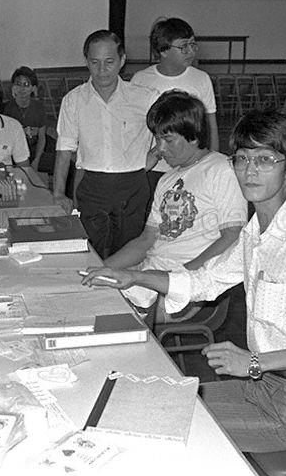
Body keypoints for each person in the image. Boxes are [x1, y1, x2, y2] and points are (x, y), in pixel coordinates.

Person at [82, 108, 286, 453]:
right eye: (242, 158)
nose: (250, 170)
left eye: (265, 159)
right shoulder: (256, 234)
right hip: (256, 387)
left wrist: (253, 362)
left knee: (152, 430)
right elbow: (203, 281)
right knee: (141, 403)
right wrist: (132, 276)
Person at [103, 91, 246, 322]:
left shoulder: (220, 169)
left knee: (103, 310)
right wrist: (101, 268)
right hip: (151, 276)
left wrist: (178, 277)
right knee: (91, 291)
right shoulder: (166, 180)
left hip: (185, 288)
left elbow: (233, 237)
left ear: (193, 137)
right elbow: (145, 241)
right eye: (157, 139)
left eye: (168, 140)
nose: (159, 148)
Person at [53, 30, 158, 259]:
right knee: (89, 251)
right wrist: (59, 193)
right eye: (95, 62)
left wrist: (150, 159)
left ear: (122, 60)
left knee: (129, 252)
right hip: (92, 185)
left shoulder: (146, 97)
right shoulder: (73, 100)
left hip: (133, 185)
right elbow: (64, 151)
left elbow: (167, 135)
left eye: (109, 62)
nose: (102, 70)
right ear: (86, 62)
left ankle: (128, 295)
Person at [131, 17, 219, 204]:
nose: (190, 51)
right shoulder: (141, 80)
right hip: (154, 167)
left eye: (193, 44)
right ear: (163, 50)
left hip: (191, 166)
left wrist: (211, 163)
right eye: (183, 46)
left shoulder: (201, 79)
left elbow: (210, 124)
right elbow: (134, 128)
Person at [1, 66, 57, 175]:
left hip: (35, 151)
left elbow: (42, 138)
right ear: (13, 87)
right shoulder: (7, 109)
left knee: (64, 164)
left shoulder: (39, 107)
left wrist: (36, 160)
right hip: (13, 154)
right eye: (18, 84)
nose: (22, 88)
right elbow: (4, 142)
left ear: (33, 88)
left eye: (26, 84)